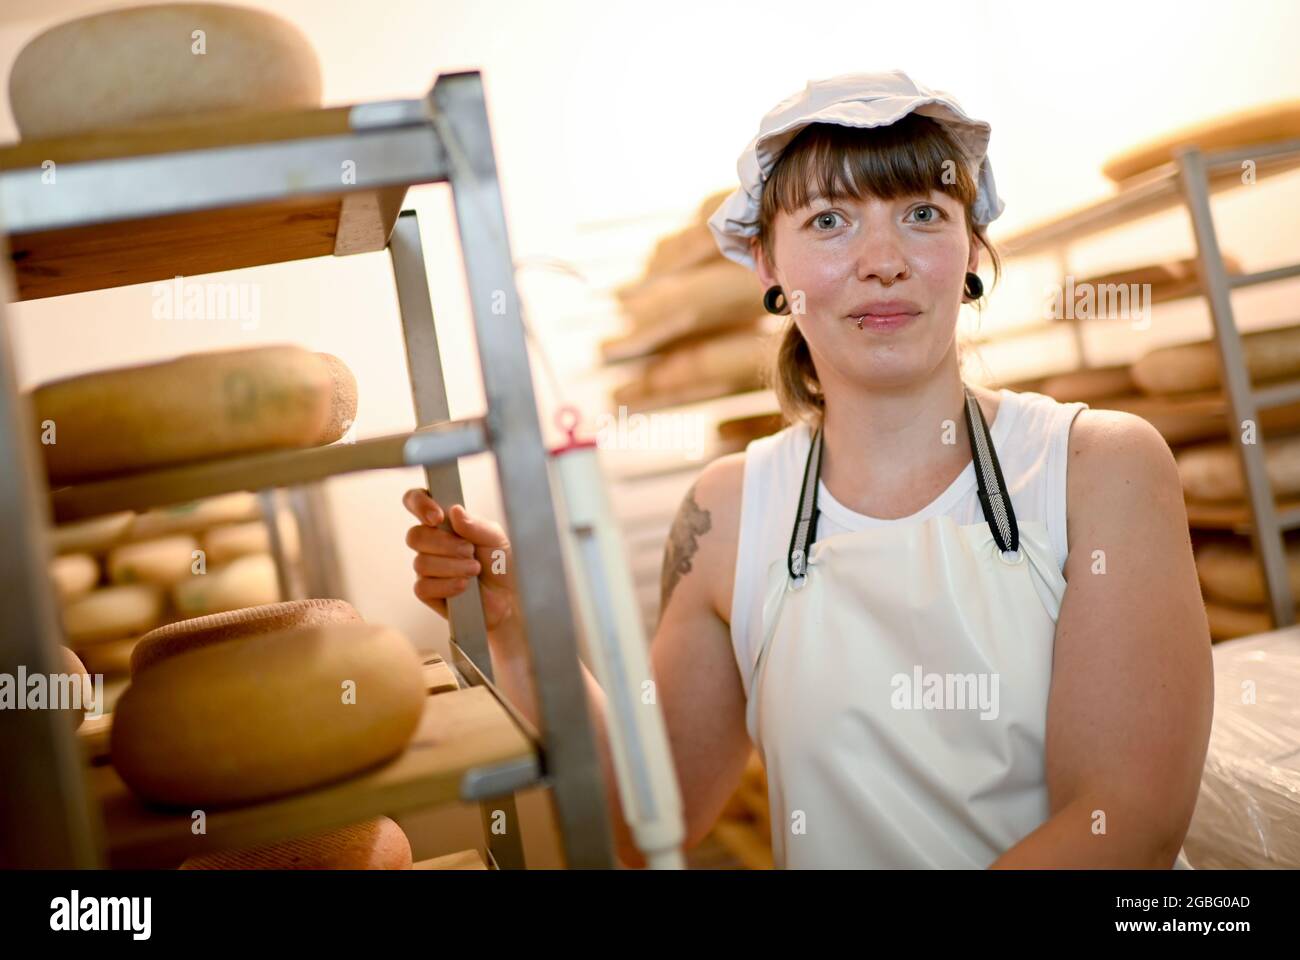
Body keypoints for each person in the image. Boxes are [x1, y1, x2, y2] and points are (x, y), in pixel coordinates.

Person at [403, 71, 1213, 869]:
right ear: (766, 268)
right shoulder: (728, 515)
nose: (884, 260)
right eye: (830, 221)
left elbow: (1122, 825)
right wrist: (515, 625)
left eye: (923, 214)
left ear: (970, 247)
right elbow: (650, 816)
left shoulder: (1096, 466)